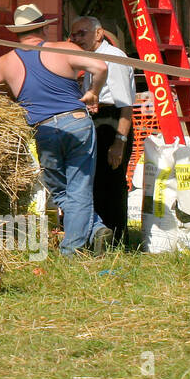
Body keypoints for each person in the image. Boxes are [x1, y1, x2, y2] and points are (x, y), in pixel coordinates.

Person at [0, 3, 113, 256]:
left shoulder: (5, 62)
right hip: (77, 123)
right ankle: (90, 234)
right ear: (43, 28)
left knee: (60, 190)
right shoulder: (64, 49)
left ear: (16, 32)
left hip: (44, 129)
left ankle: (76, 245)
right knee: (79, 187)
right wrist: (92, 92)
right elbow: (102, 67)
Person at [69, 15, 136, 245]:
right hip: (98, 121)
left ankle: (117, 240)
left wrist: (119, 141)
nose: (77, 39)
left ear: (99, 33)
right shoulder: (92, 59)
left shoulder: (112, 59)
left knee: (112, 182)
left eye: (82, 34)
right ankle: (99, 237)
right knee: (96, 183)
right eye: (74, 34)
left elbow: (125, 105)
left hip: (112, 123)